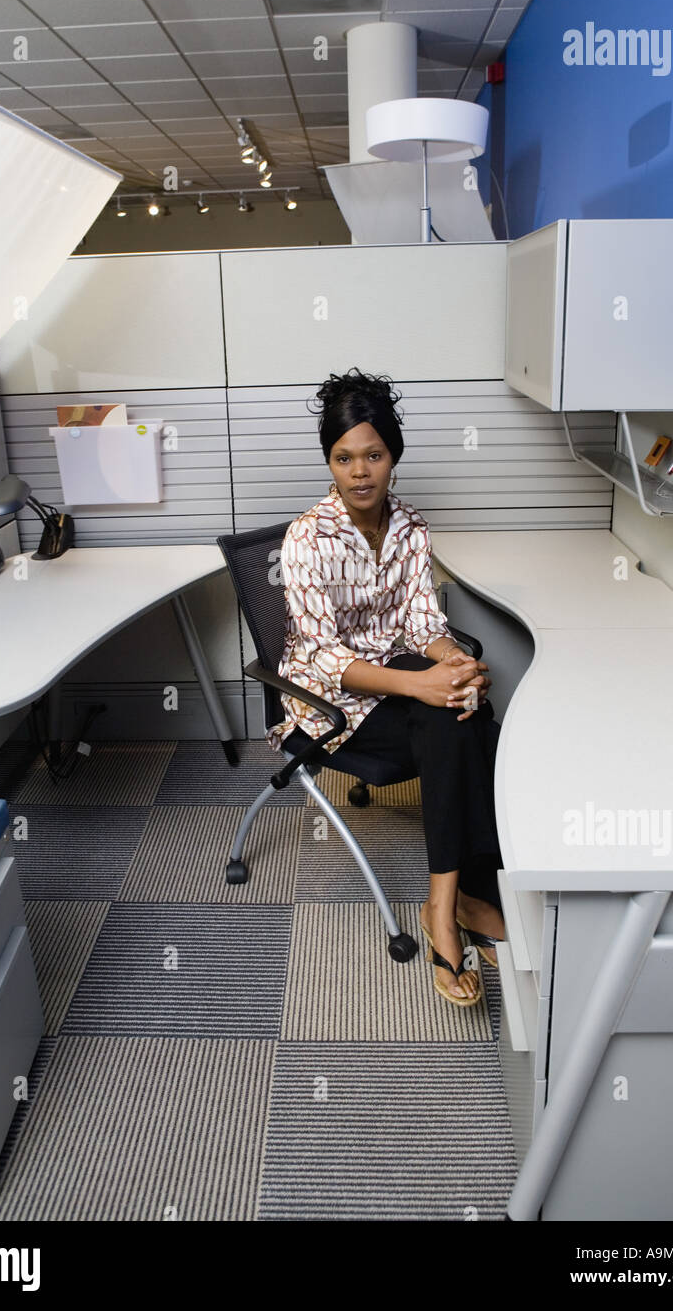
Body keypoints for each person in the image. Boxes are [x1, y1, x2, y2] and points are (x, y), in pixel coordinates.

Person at [268, 368, 506, 1007]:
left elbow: (423, 622)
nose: (359, 472)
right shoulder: (306, 539)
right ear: (329, 460)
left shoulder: (410, 526)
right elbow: (321, 656)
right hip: (329, 700)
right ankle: (457, 904)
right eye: (344, 457)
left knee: (463, 708)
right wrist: (421, 685)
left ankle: (450, 900)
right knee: (450, 718)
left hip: (398, 674)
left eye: (373, 455)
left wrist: (451, 665)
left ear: (393, 456)